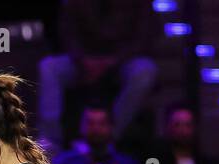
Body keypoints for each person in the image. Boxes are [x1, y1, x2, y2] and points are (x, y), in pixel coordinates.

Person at [37, 0, 158, 152]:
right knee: (49, 66)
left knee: (145, 71)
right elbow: (66, 33)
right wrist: (83, 61)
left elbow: (145, 38)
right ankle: (51, 142)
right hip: (82, 62)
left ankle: (108, 134)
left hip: (122, 62)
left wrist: (111, 62)